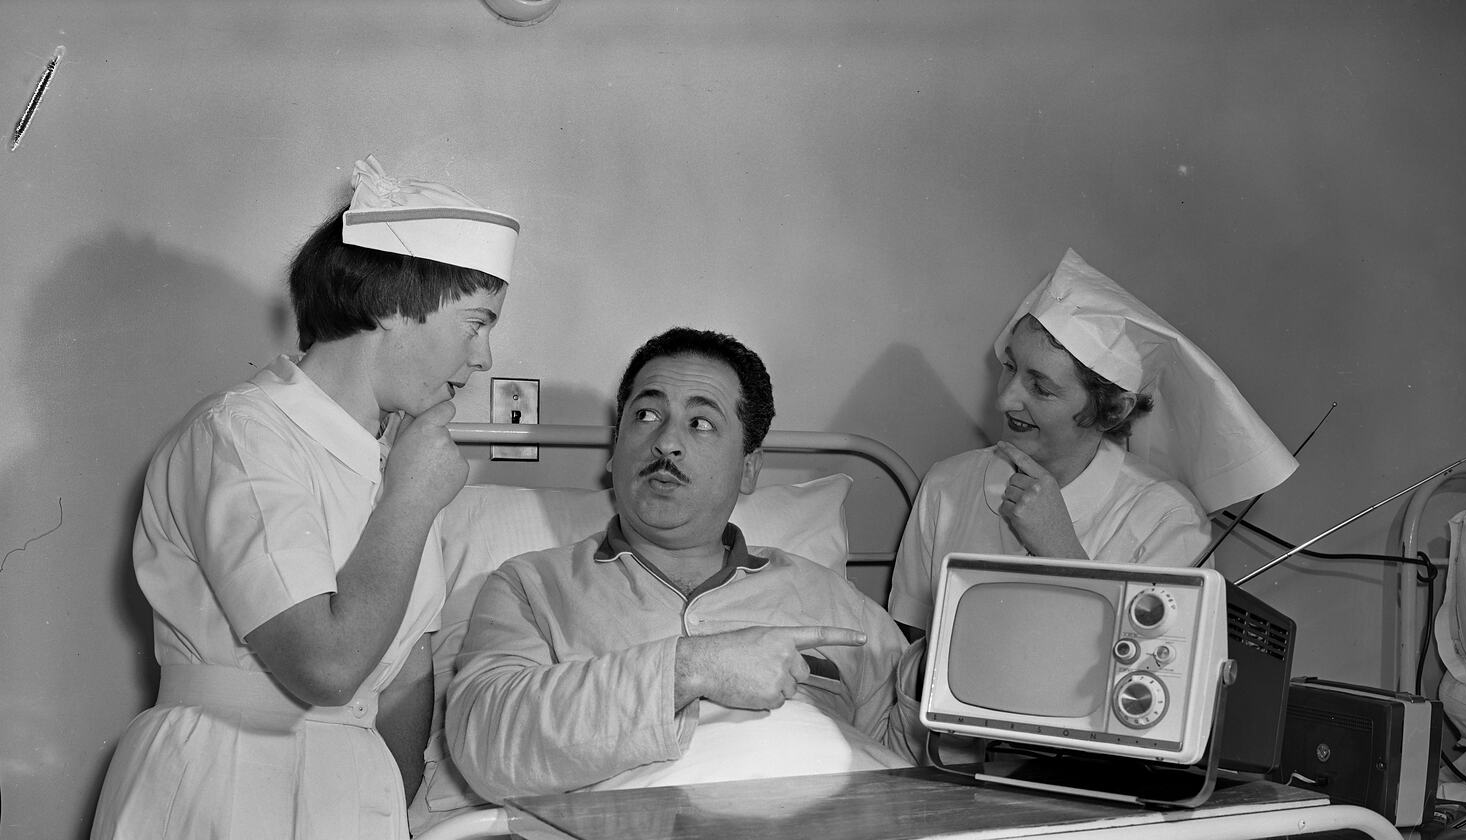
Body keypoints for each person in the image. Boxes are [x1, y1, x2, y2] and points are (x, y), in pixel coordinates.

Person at [47, 156, 520, 840]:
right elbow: (325, 660)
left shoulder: (386, 457)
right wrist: (413, 502)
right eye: (477, 321)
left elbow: (398, 685)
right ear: (397, 303)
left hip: (346, 814)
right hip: (228, 793)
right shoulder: (246, 435)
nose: (485, 357)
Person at [446, 326, 922, 805]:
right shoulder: (533, 587)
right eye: (647, 415)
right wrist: (691, 669)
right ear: (615, 449)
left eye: (701, 423)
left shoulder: (834, 602)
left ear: (749, 468)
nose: (667, 442)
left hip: (848, 835)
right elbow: (488, 743)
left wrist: (933, 675)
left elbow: (908, 760)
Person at [888, 248, 1297, 637]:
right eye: (1009, 367)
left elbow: (1156, 674)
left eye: (1041, 388)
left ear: (1114, 410)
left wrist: (1060, 551)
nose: (1005, 399)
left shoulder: (1167, 521)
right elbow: (912, 650)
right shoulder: (947, 486)